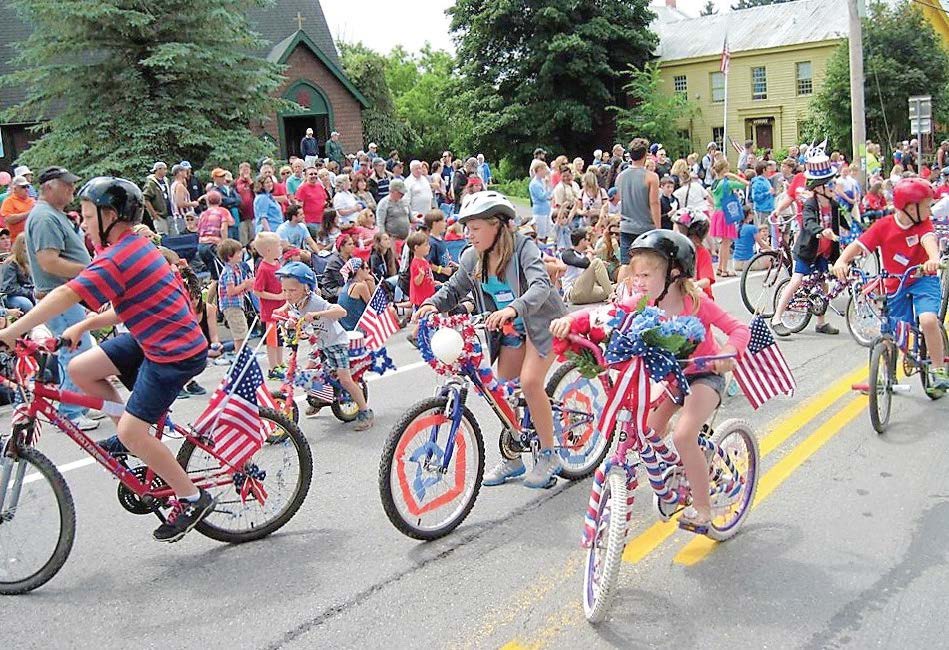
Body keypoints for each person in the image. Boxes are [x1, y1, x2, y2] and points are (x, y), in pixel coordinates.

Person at [1, 176, 214, 542]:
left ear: (110, 215)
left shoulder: (120, 255)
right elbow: (127, 305)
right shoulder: (128, 247)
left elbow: (68, 292)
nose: (82, 223)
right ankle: (128, 434)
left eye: (86, 216)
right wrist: (84, 324)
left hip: (174, 353)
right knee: (81, 368)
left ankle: (192, 497)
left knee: (133, 431)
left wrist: (10, 331)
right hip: (153, 341)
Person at [551, 230, 750, 533]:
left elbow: (737, 329)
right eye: (635, 275)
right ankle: (684, 470)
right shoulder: (642, 301)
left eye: (645, 274)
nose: (637, 281)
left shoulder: (695, 303)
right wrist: (571, 321)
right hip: (669, 379)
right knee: (647, 432)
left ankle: (703, 509)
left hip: (702, 374)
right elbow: (604, 314)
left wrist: (726, 351)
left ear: (673, 273)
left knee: (683, 435)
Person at [414, 191, 569, 488]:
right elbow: (455, 288)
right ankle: (513, 459)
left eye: (474, 228)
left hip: (542, 323)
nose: (467, 235)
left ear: (498, 225)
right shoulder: (473, 256)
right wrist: (432, 304)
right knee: (502, 393)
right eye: (466, 228)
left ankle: (549, 455)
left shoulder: (524, 249)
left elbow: (539, 286)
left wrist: (513, 308)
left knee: (530, 382)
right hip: (509, 330)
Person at [833, 177, 949, 396]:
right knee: (894, 330)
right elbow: (859, 246)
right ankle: (887, 373)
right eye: (926, 205)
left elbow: (929, 241)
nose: (930, 209)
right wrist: (841, 262)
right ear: (909, 208)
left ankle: (938, 369)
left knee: (927, 320)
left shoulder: (923, 224)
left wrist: (933, 259)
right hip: (895, 282)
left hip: (923, 279)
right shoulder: (884, 226)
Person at [25, 166, 98, 431]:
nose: (71, 189)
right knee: (75, 352)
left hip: (65, 295)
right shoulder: (45, 217)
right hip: (59, 295)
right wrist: (89, 269)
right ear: (48, 187)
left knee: (78, 349)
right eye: (65, 184)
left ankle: (78, 406)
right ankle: (70, 413)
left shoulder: (52, 214)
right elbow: (49, 262)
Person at [274, 261, 374, 429]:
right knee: (308, 372)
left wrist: (317, 315)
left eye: (292, 290)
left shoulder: (315, 301)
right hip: (319, 344)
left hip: (336, 343)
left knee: (345, 380)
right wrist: (287, 318)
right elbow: (292, 311)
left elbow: (341, 312)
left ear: (306, 288)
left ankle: (365, 411)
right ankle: (319, 398)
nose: (287, 294)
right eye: (284, 290)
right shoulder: (295, 301)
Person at [771, 148, 845, 337]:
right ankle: (777, 318)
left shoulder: (834, 205)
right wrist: (821, 231)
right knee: (796, 280)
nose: (833, 187)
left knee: (823, 284)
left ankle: (821, 322)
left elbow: (848, 223)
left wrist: (864, 232)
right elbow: (809, 222)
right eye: (830, 184)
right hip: (808, 249)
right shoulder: (811, 204)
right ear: (819, 187)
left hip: (824, 252)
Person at [616, 138, 661, 263]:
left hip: (625, 226)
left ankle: (622, 283)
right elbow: (654, 203)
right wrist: (658, 228)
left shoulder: (620, 177)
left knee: (626, 264)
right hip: (646, 228)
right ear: (645, 155)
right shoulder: (651, 177)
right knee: (647, 264)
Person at [252, 232, 286, 379]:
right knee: (272, 341)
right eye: (277, 246)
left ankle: (280, 362)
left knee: (281, 338)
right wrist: (277, 296)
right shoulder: (263, 268)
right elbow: (257, 291)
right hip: (270, 311)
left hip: (281, 309)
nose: (280, 248)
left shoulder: (277, 263)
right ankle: (272, 367)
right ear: (268, 250)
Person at [708, 158, 749, 277]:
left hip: (717, 212)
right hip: (726, 213)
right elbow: (745, 184)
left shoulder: (714, 183)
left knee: (723, 243)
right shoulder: (727, 183)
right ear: (725, 169)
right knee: (726, 243)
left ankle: (720, 267)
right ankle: (725, 269)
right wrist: (734, 176)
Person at [560, 227, 613, 305]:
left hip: (587, 291)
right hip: (574, 292)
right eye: (588, 240)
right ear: (582, 241)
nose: (589, 242)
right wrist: (590, 255)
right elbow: (584, 263)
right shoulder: (567, 254)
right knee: (597, 262)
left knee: (614, 287)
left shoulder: (583, 255)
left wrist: (600, 267)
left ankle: (612, 293)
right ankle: (612, 296)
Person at [217, 238, 253, 348]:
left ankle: (243, 353)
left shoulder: (237, 268)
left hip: (238, 304)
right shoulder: (229, 272)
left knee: (243, 330)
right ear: (229, 256)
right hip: (231, 305)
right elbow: (231, 291)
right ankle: (240, 356)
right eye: (238, 252)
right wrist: (245, 284)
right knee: (240, 334)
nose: (241, 253)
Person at [671, 210, 715, 299]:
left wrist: (694, 285)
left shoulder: (702, 252)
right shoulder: (676, 251)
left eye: (681, 230)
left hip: (698, 297)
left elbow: (707, 280)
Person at [195, 190, 231, 280]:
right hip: (213, 246)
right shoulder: (223, 211)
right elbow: (224, 228)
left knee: (215, 276)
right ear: (220, 201)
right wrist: (225, 245)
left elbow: (198, 231)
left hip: (201, 246)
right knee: (221, 276)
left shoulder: (203, 214)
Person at [338, 257, 375, 331]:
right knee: (390, 311)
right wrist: (372, 281)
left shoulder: (348, 284)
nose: (369, 271)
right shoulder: (360, 286)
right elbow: (373, 306)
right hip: (356, 327)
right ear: (359, 270)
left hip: (346, 326)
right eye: (366, 268)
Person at [1, 233, 35, 312]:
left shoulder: (33, 261)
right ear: (21, 245)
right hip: (11, 296)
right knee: (26, 304)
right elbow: (8, 288)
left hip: (30, 292)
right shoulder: (11, 263)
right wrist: (30, 292)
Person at [377, 179, 412, 245]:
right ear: (393, 191)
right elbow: (380, 223)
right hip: (392, 238)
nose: (403, 195)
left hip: (406, 238)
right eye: (400, 193)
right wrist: (385, 239)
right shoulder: (384, 203)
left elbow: (411, 218)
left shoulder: (405, 201)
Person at [0, 175, 35, 241]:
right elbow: (8, 219)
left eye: (27, 186)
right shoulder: (9, 201)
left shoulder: (32, 201)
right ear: (15, 189)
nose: (26, 189)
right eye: (23, 187)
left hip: (32, 239)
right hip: (16, 241)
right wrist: (29, 213)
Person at [142, 161, 172, 233]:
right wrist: (153, 214)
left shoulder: (166, 180)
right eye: (164, 169)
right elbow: (145, 199)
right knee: (163, 235)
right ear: (158, 170)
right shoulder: (151, 183)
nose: (166, 171)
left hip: (170, 213)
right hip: (159, 215)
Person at [528, 160, 553, 242]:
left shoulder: (542, 181)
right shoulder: (534, 184)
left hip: (546, 210)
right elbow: (542, 197)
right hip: (540, 211)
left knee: (547, 233)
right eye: (544, 170)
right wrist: (546, 187)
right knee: (540, 234)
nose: (545, 172)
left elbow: (549, 194)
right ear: (538, 170)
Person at [750, 161, 775, 226]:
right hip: (761, 210)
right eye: (769, 169)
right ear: (764, 170)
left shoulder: (766, 180)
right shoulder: (758, 182)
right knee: (761, 229)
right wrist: (768, 193)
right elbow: (755, 197)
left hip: (768, 209)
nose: (770, 171)